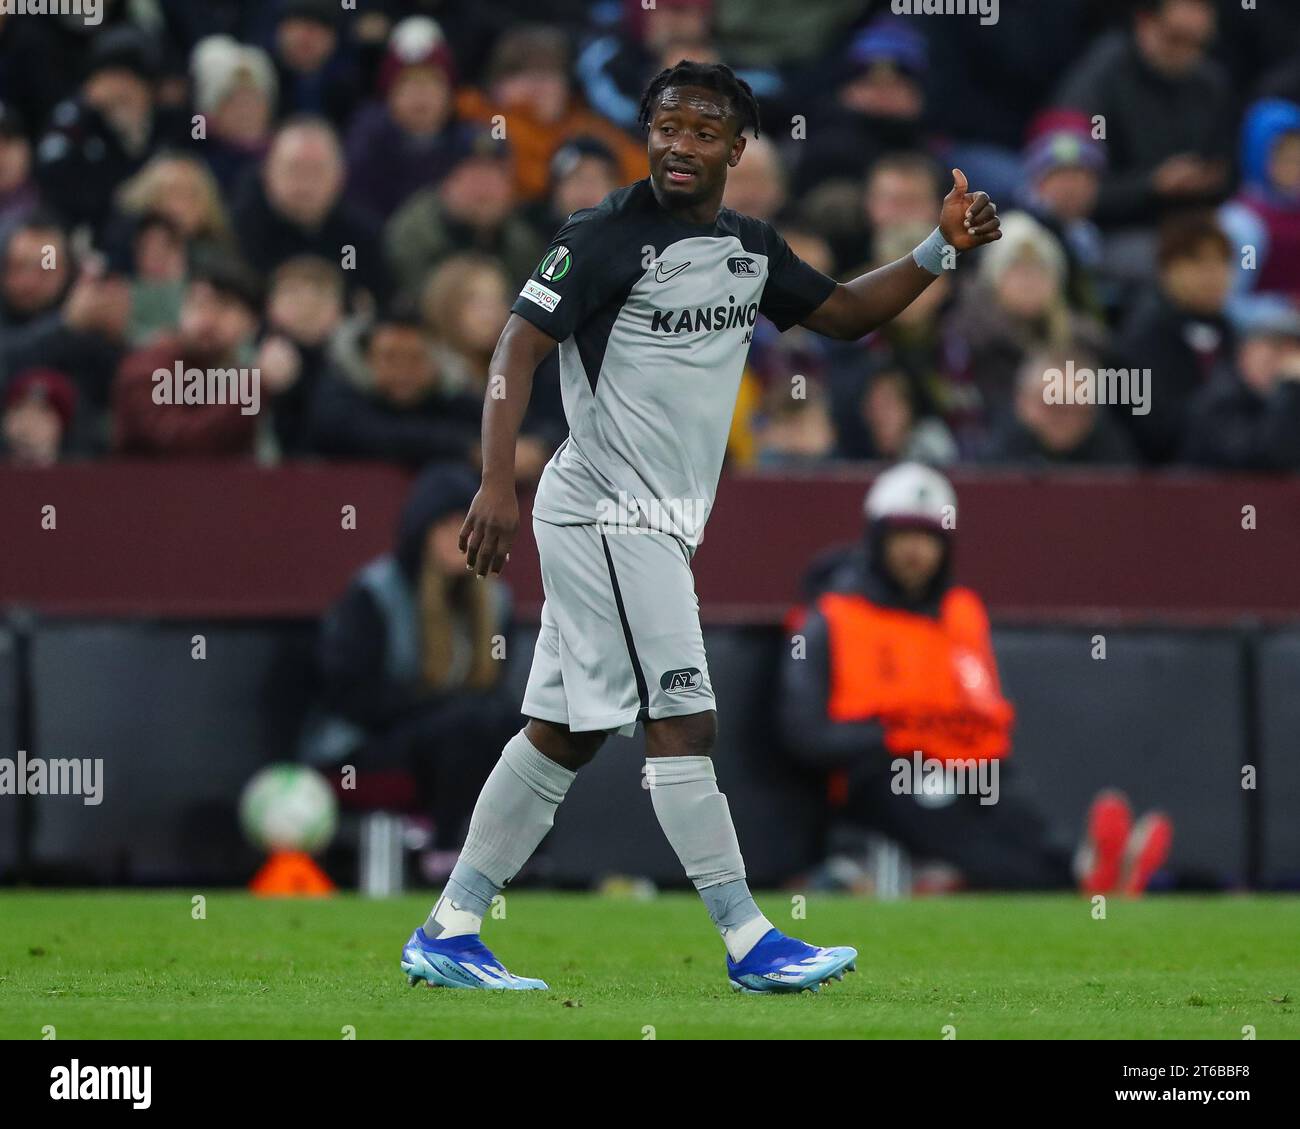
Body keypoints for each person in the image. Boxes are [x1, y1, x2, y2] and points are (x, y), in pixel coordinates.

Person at [400, 60, 1003, 995]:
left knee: (563, 730)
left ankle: (452, 923)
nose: (682, 144)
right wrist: (493, 482)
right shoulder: (603, 235)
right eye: (667, 127)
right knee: (684, 717)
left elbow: (841, 313)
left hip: (656, 520)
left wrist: (937, 248)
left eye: (703, 130)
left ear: (736, 146)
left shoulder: (749, 249)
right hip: (606, 507)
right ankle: (749, 935)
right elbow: (518, 344)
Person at [778, 462, 1173, 893]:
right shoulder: (832, 617)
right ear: (877, 538)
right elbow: (804, 733)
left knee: (1013, 810)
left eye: (929, 537)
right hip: (880, 772)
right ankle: (1083, 880)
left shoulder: (962, 613)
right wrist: (892, 736)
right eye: (903, 535)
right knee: (958, 825)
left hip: (969, 766)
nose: (916, 550)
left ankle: (1087, 866)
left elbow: (988, 709)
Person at [308, 465, 519, 857]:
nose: (463, 539)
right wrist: (439, 706)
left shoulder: (495, 600)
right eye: (449, 525)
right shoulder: (375, 593)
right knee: (464, 726)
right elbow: (352, 695)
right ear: (421, 534)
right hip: (368, 740)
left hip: (454, 733)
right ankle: (444, 851)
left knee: (519, 732)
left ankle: (517, 856)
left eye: (471, 525)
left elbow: (495, 686)